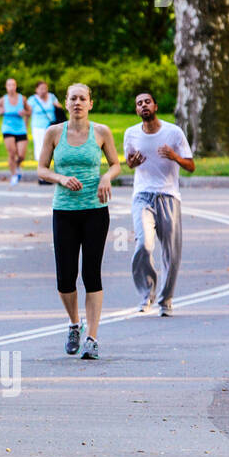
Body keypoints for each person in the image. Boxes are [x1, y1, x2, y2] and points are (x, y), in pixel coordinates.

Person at [36, 82, 121, 360]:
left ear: (90, 103)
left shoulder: (101, 132)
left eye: (83, 98)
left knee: (91, 273)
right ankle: (74, 323)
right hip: (64, 211)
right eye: (73, 98)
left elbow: (115, 164)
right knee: (65, 277)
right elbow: (41, 169)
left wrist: (106, 177)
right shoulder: (53, 133)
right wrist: (60, 178)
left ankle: (92, 338)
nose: (77, 103)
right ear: (66, 102)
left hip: (95, 209)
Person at [123, 91, 194, 317]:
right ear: (136, 110)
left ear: (155, 105)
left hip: (168, 196)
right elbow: (129, 163)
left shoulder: (173, 132)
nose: (143, 105)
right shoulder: (131, 133)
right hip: (142, 195)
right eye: (139, 103)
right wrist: (131, 163)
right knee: (144, 244)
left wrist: (175, 156)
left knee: (171, 254)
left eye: (147, 102)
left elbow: (191, 166)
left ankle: (166, 299)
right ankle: (146, 294)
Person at [0, 78, 32, 185]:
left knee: (22, 155)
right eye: (9, 85)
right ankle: (14, 175)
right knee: (12, 153)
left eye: (13, 85)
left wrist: (25, 113)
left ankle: (17, 166)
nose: (11, 87)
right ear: (6, 87)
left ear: (16, 86)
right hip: (8, 129)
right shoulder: (2, 100)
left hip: (21, 129)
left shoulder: (22, 99)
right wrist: (0, 112)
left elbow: (29, 111)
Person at [28, 81, 61, 177]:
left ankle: (53, 172)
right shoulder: (32, 100)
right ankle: (42, 174)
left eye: (45, 88)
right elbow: (28, 113)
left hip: (52, 127)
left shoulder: (52, 97)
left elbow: (59, 109)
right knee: (40, 149)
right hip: (38, 127)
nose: (43, 91)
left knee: (54, 149)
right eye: (41, 88)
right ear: (36, 90)